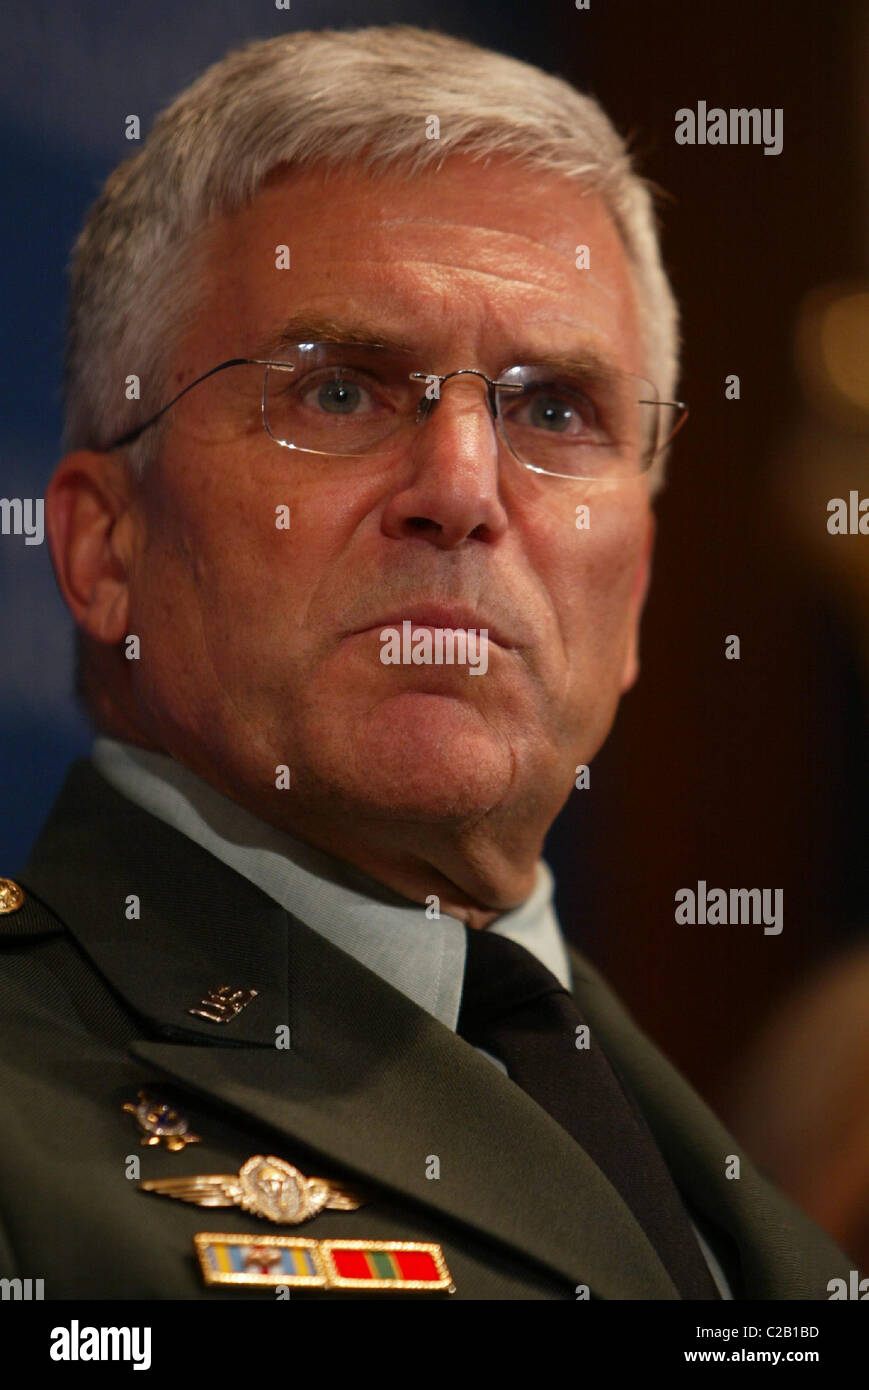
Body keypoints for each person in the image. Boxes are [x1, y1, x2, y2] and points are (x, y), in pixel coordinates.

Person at [0, 24, 854, 1300]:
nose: (461, 488)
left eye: (553, 409)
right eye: (339, 391)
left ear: (632, 590)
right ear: (103, 548)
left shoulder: (727, 1169)